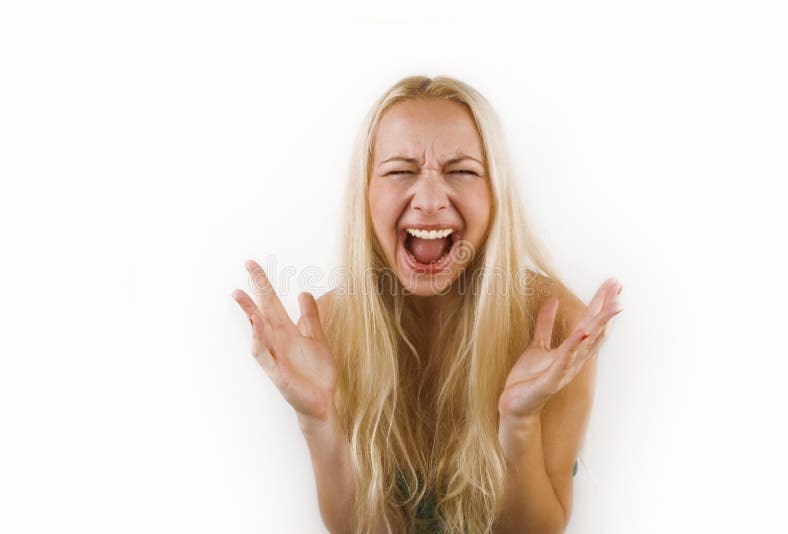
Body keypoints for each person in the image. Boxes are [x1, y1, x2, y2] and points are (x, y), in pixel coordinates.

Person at [231, 75, 623, 534]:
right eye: (400, 170)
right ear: (367, 193)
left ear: (496, 195)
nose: (431, 201)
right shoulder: (328, 327)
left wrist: (520, 423)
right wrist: (319, 422)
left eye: (463, 171)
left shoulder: (558, 330)